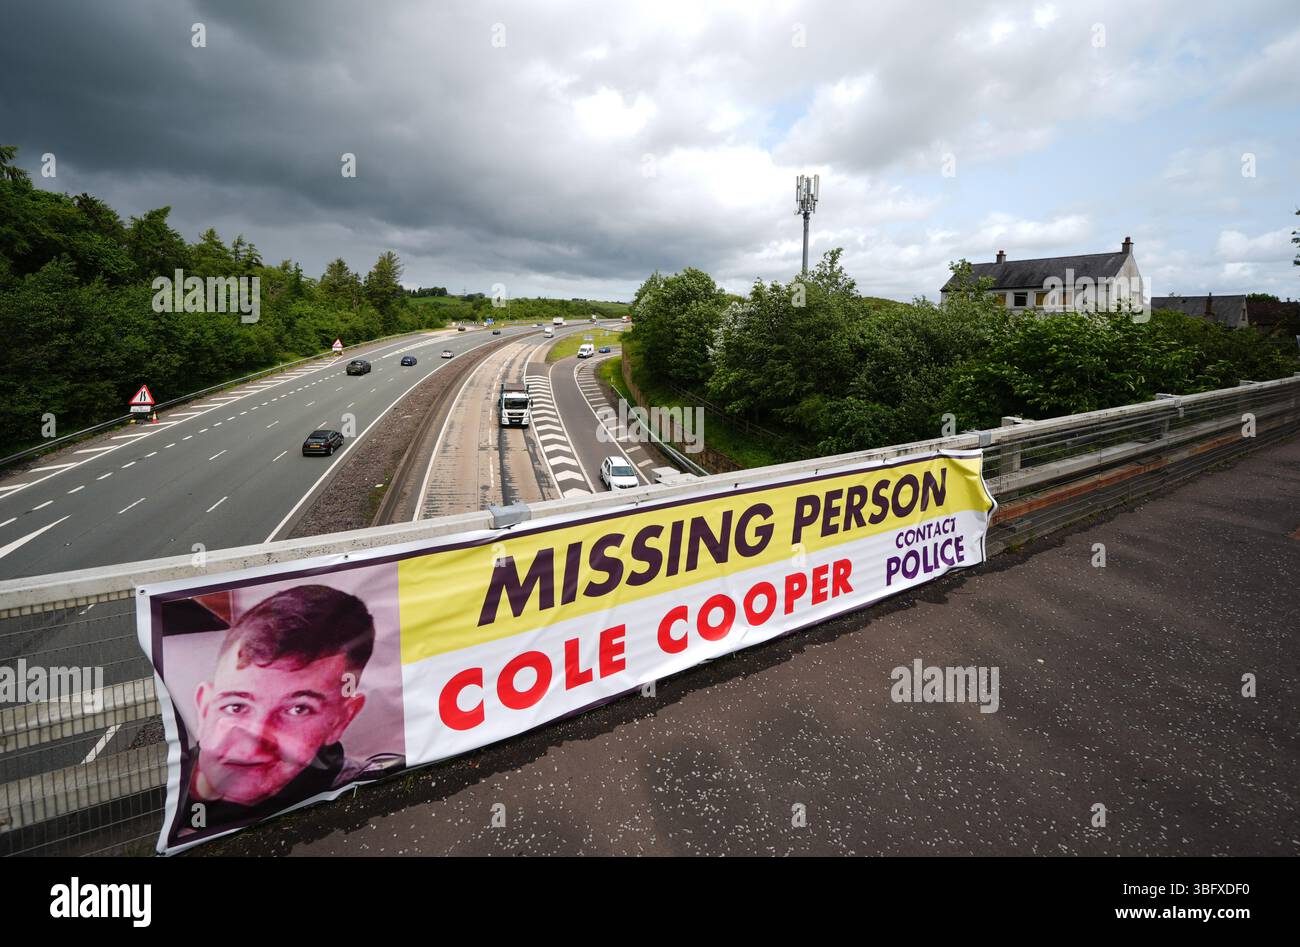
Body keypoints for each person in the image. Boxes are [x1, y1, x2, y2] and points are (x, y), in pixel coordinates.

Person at [172, 584, 403, 839]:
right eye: (236, 706)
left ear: (342, 719)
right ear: (204, 707)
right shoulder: (176, 790)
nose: (251, 748)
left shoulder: (353, 780)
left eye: (298, 709)